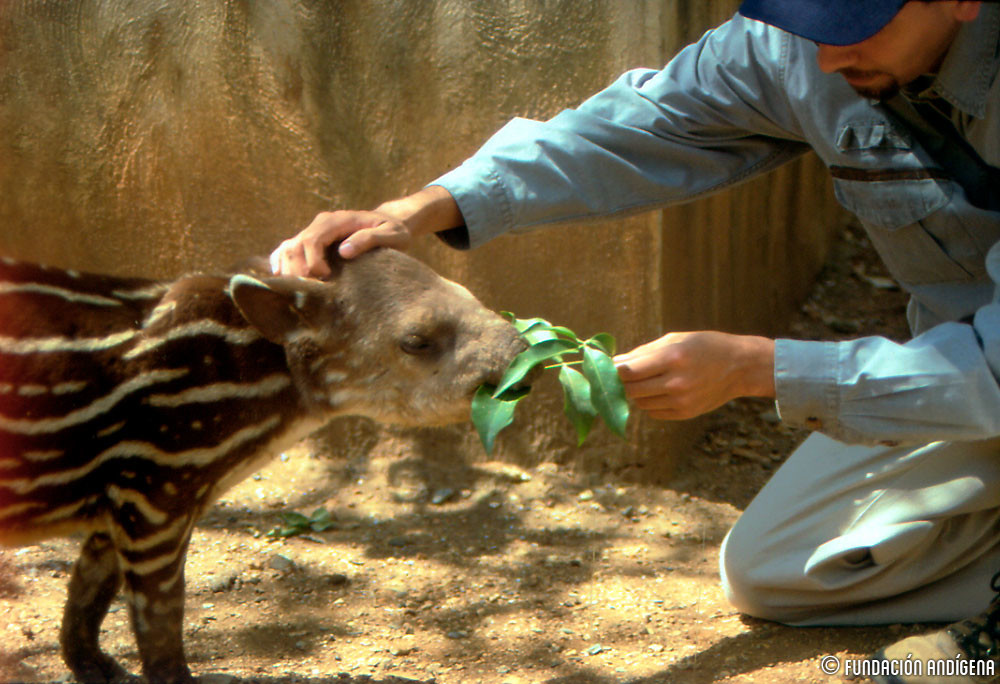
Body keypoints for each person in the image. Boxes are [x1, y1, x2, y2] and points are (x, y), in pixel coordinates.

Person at [271, 1, 1000, 681]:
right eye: (801, 14)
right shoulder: (803, 46)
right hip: (959, 370)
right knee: (774, 568)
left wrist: (756, 368)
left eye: (850, 16)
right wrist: (419, 210)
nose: (825, 55)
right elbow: (645, 122)